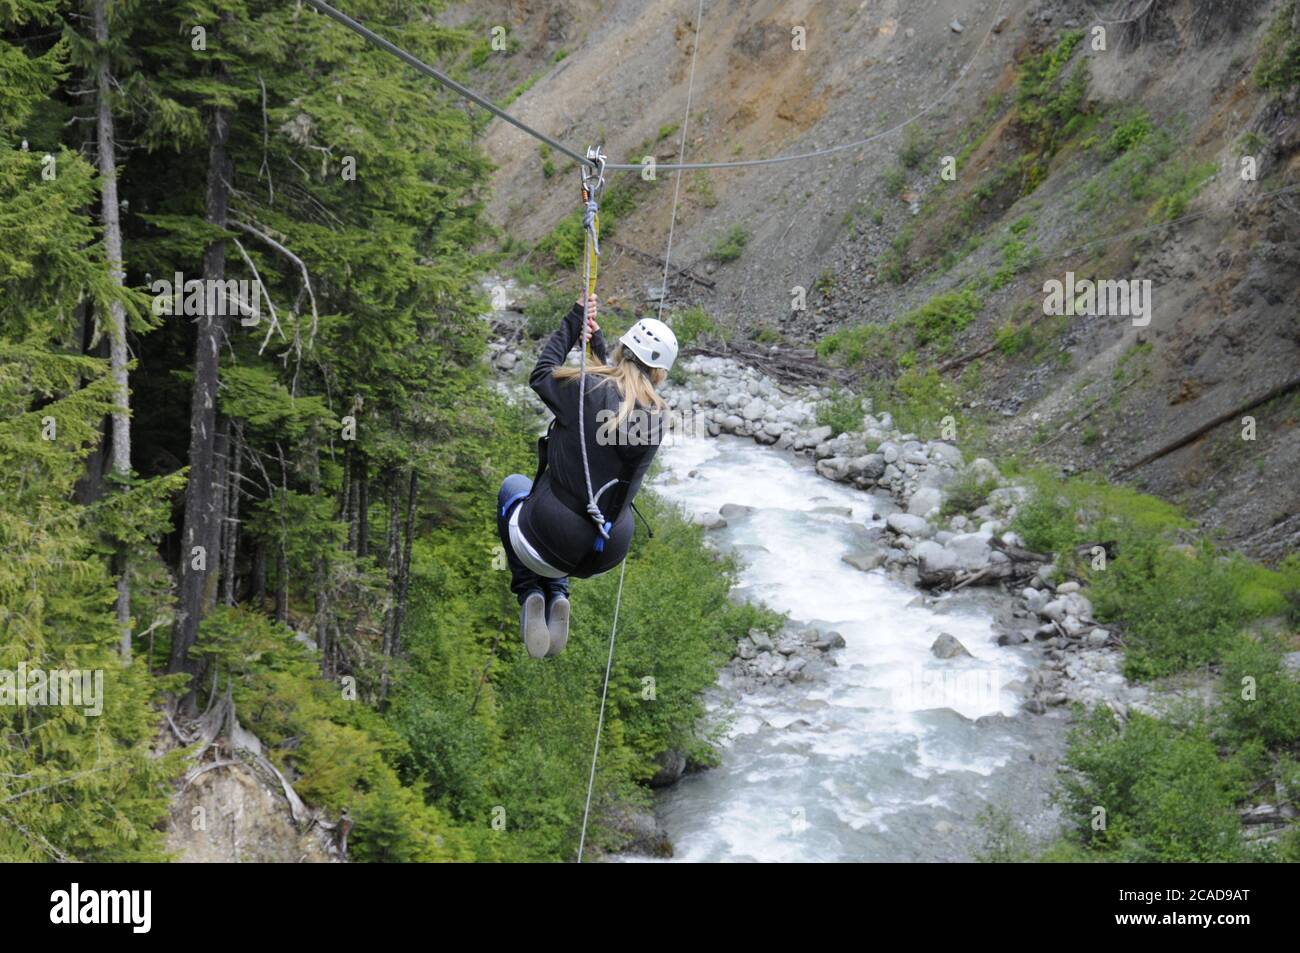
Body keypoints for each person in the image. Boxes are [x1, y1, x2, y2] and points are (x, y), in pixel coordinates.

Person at [497, 292, 678, 658]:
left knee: (512, 486)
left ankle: (531, 590)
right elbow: (618, 396)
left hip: (549, 535)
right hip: (607, 548)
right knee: (580, 511)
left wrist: (574, 320)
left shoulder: (584, 389)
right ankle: (559, 593)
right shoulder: (658, 418)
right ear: (659, 374)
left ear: (623, 352)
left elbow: (542, 372)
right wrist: (596, 343)